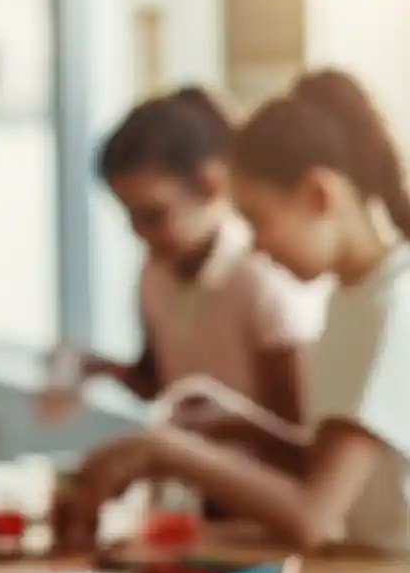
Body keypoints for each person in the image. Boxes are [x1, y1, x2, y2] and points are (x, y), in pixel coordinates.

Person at [63, 71, 410, 553]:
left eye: (258, 220)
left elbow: (311, 515)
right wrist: (244, 425)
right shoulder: (351, 298)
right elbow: (334, 466)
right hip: (362, 567)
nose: (254, 244)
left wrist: (166, 450)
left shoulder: (397, 306)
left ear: (318, 196)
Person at [39, 88, 321, 475]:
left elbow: (294, 435)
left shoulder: (259, 279)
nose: (140, 234)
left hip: (262, 495)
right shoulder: (154, 275)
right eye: (131, 218)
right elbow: (160, 381)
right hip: (195, 490)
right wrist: (91, 367)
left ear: (210, 185)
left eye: (153, 216)